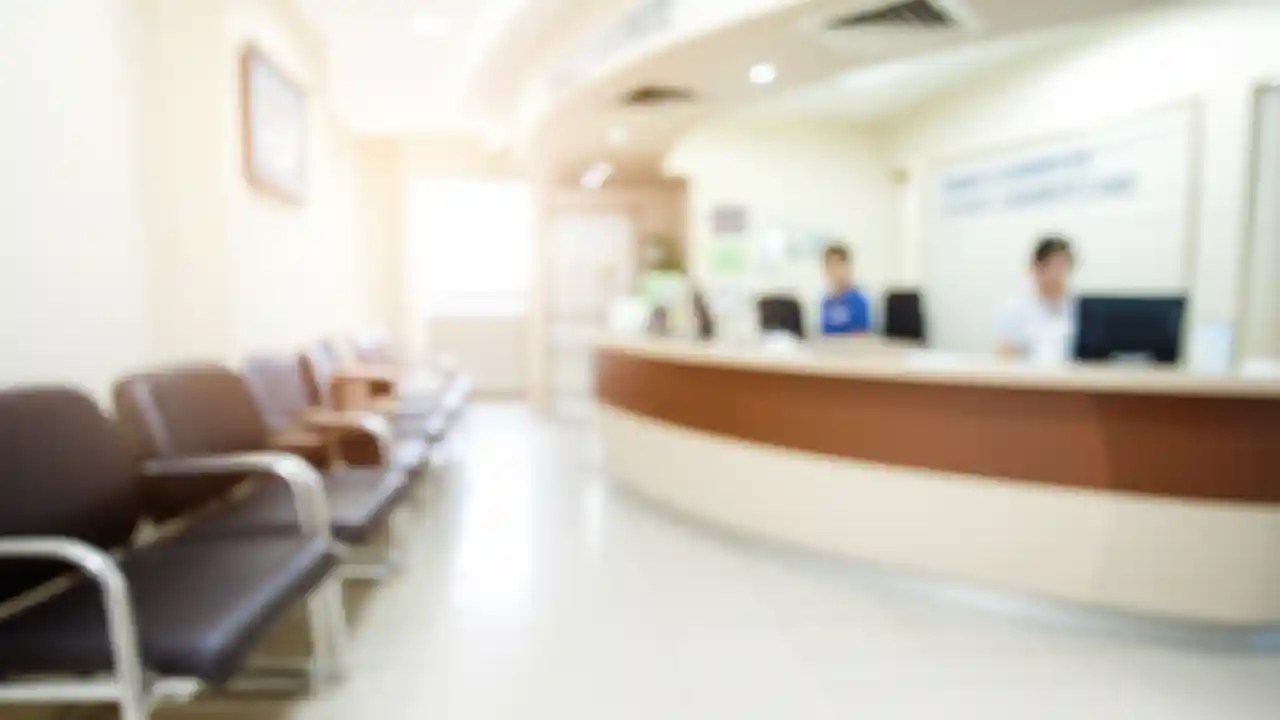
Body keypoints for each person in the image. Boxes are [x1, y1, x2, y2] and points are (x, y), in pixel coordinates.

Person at [997, 235, 1077, 363]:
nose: (1057, 273)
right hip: (1028, 380)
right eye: (1052, 266)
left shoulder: (1080, 308)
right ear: (1036, 268)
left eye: (1063, 265)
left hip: (1073, 380)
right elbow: (1005, 359)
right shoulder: (1015, 310)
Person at [820, 244, 871, 335]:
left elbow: (861, 336)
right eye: (829, 265)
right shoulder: (827, 302)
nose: (834, 270)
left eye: (837, 264)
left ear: (847, 267)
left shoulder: (859, 301)